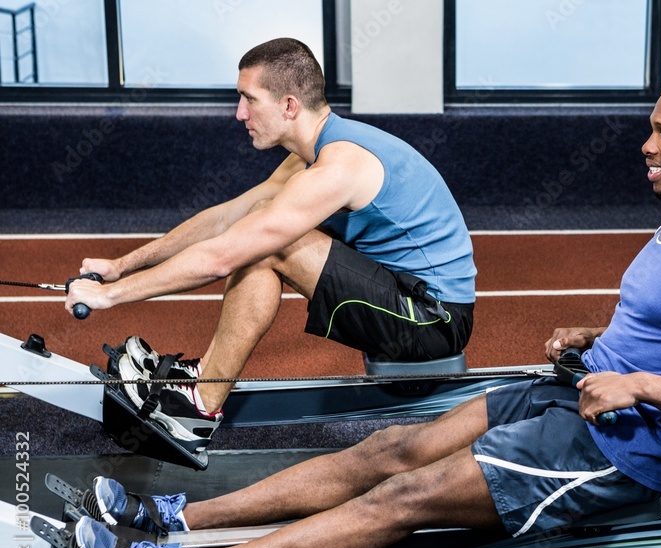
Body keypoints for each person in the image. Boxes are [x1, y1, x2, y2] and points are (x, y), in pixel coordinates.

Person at [71, 62, 661, 548]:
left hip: (614, 448)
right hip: (572, 390)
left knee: (403, 496)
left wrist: (639, 385)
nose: (647, 145)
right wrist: (597, 336)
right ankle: (177, 520)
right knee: (386, 451)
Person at [65, 38, 476, 445]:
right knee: (260, 218)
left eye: (249, 99)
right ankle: (205, 379)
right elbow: (228, 216)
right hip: (407, 294)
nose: (239, 113)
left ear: (289, 105)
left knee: (269, 244)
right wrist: (122, 265)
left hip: (433, 320)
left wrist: (111, 296)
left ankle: (199, 407)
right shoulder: (313, 152)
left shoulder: (338, 166)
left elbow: (222, 258)